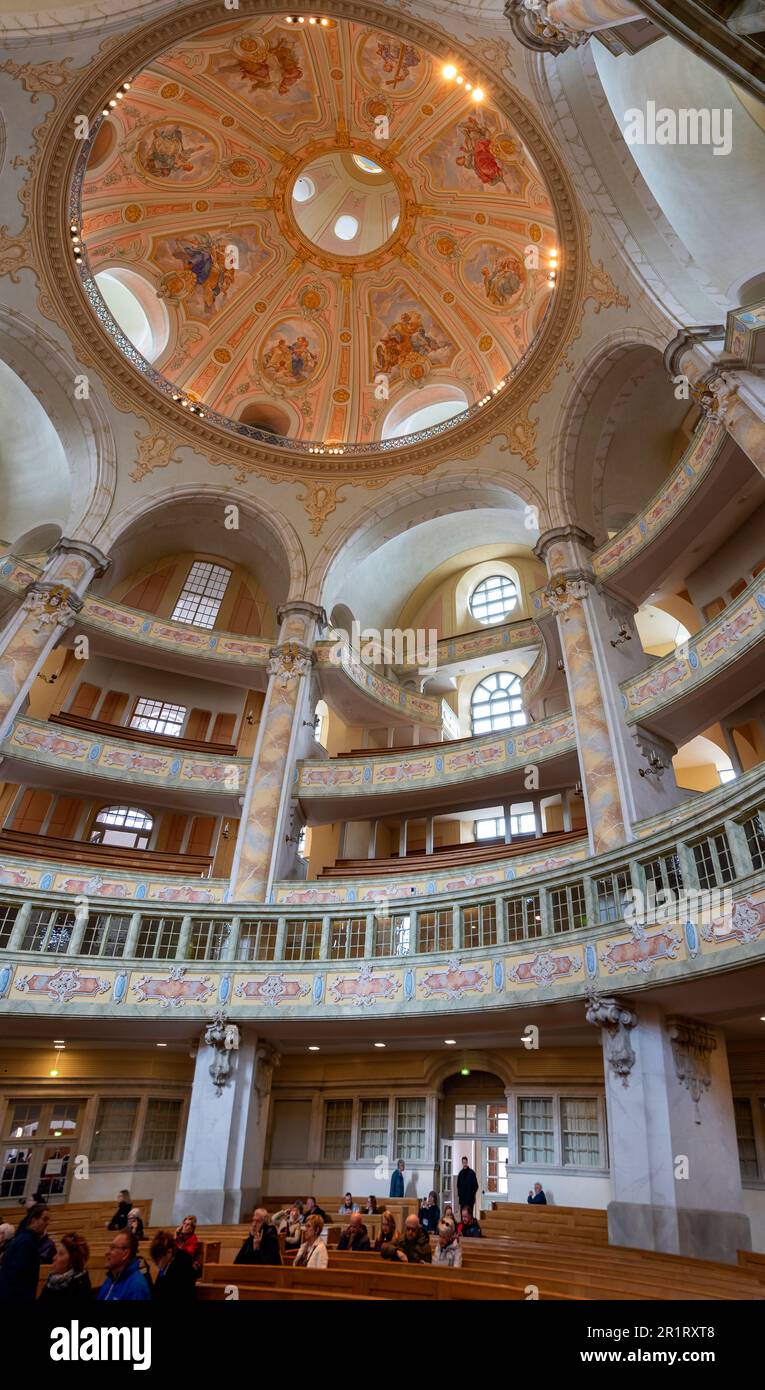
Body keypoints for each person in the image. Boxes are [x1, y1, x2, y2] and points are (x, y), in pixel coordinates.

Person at [0, 1204, 50, 1302]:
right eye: (44, 1219)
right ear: (33, 1220)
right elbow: (16, 1278)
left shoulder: (25, 1239)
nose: (47, 1223)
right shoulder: (26, 1243)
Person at [96, 1230, 151, 1301]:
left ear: (125, 1254)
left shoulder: (137, 1286)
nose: (106, 1252)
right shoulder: (110, 1279)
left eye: (112, 1248)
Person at [38, 1233, 92, 1303]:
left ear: (72, 1261)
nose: (54, 1258)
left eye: (61, 1254)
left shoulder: (80, 1287)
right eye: (56, 1253)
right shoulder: (53, 1278)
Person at [150, 1231, 197, 1302]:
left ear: (169, 1252)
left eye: (158, 1259)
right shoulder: (169, 1262)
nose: (156, 1263)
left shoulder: (180, 1270)